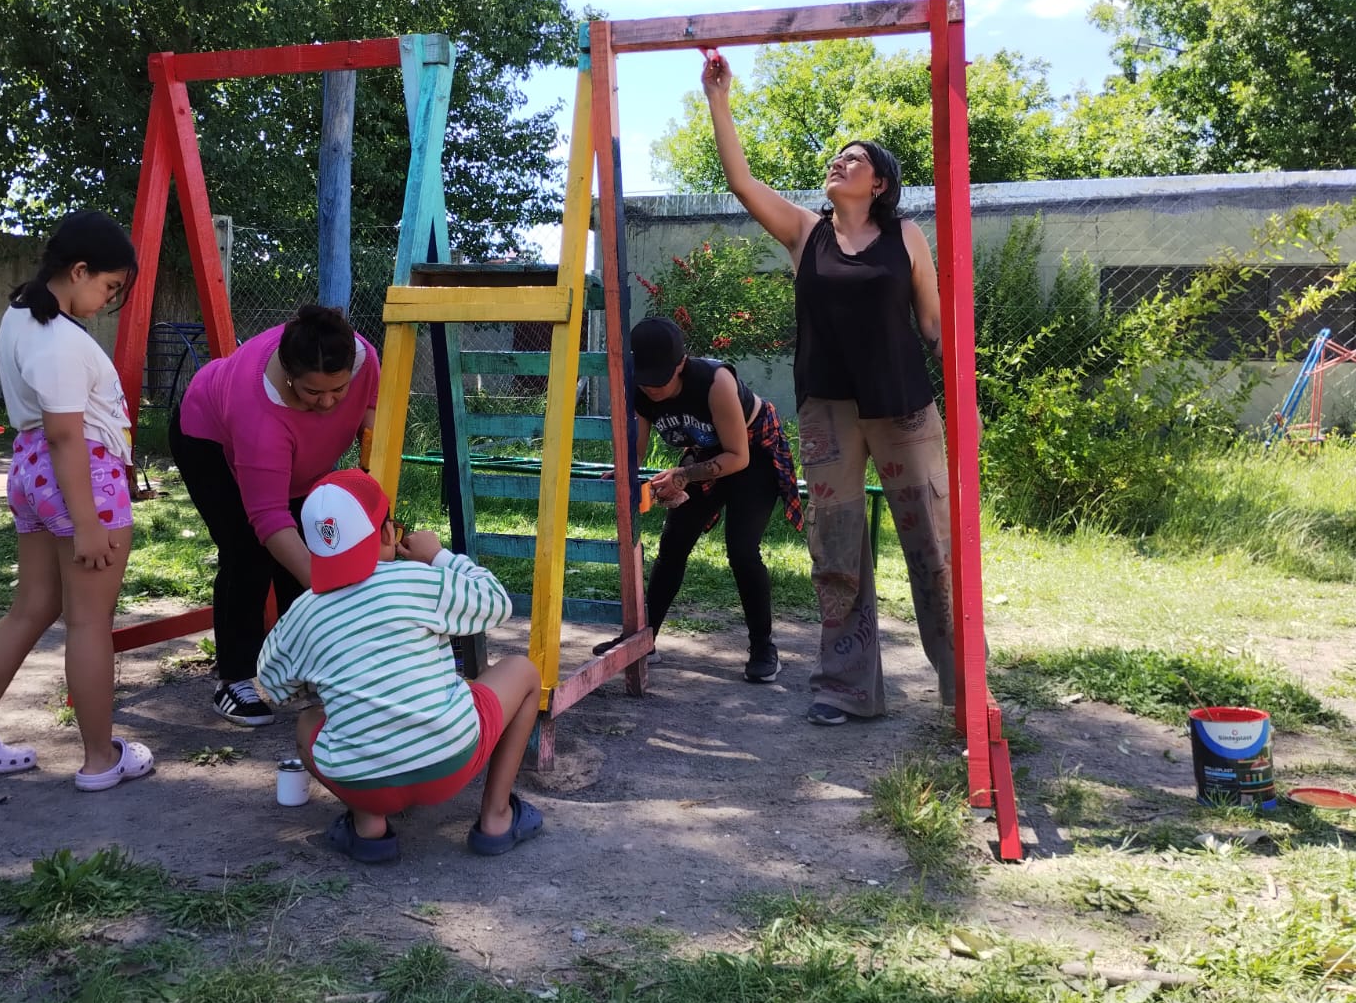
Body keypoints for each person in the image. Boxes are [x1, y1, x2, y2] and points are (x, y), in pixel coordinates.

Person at [700, 50, 958, 726]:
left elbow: (934, 326)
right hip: (829, 413)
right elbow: (741, 181)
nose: (840, 164)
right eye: (837, 158)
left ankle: (961, 690)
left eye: (855, 159)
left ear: (879, 183)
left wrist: (969, 406)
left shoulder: (905, 236)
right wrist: (719, 102)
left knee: (932, 547)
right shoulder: (804, 233)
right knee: (836, 549)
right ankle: (846, 688)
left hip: (904, 410)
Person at [0, 210, 154, 791]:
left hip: (29, 470)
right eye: (108, 287)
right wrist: (86, 522)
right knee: (89, 622)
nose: (107, 301)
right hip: (78, 477)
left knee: (30, 608)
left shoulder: (20, 318)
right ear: (79, 270)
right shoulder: (56, 339)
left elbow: (47, 435)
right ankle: (101, 759)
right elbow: (65, 433)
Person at [256, 470, 544, 863]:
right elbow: (496, 601)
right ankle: (496, 818)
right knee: (523, 671)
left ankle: (368, 827)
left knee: (309, 721)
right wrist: (438, 556)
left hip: (362, 782)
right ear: (389, 532)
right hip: (450, 761)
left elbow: (272, 685)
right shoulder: (418, 579)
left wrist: (320, 679)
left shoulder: (303, 612)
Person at [170, 306, 379, 728]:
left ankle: (300, 664)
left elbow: (373, 423)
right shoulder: (258, 409)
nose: (328, 402)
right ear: (288, 376)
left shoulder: (362, 359)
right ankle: (235, 677)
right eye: (313, 392)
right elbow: (269, 519)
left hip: (295, 457)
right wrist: (332, 588)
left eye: (337, 390)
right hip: (209, 440)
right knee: (247, 551)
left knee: (314, 537)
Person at [593, 316, 802, 682]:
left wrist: (683, 475)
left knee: (741, 549)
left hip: (751, 455)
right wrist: (623, 472)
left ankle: (763, 647)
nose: (652, 388)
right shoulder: (641, 387)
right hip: (705, 457)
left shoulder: (715, 381)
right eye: (645, 378)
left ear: (681, 364)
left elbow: (738, 456)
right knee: (673, 543)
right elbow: (636, 453)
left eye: (661, 378)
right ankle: (644, 640)